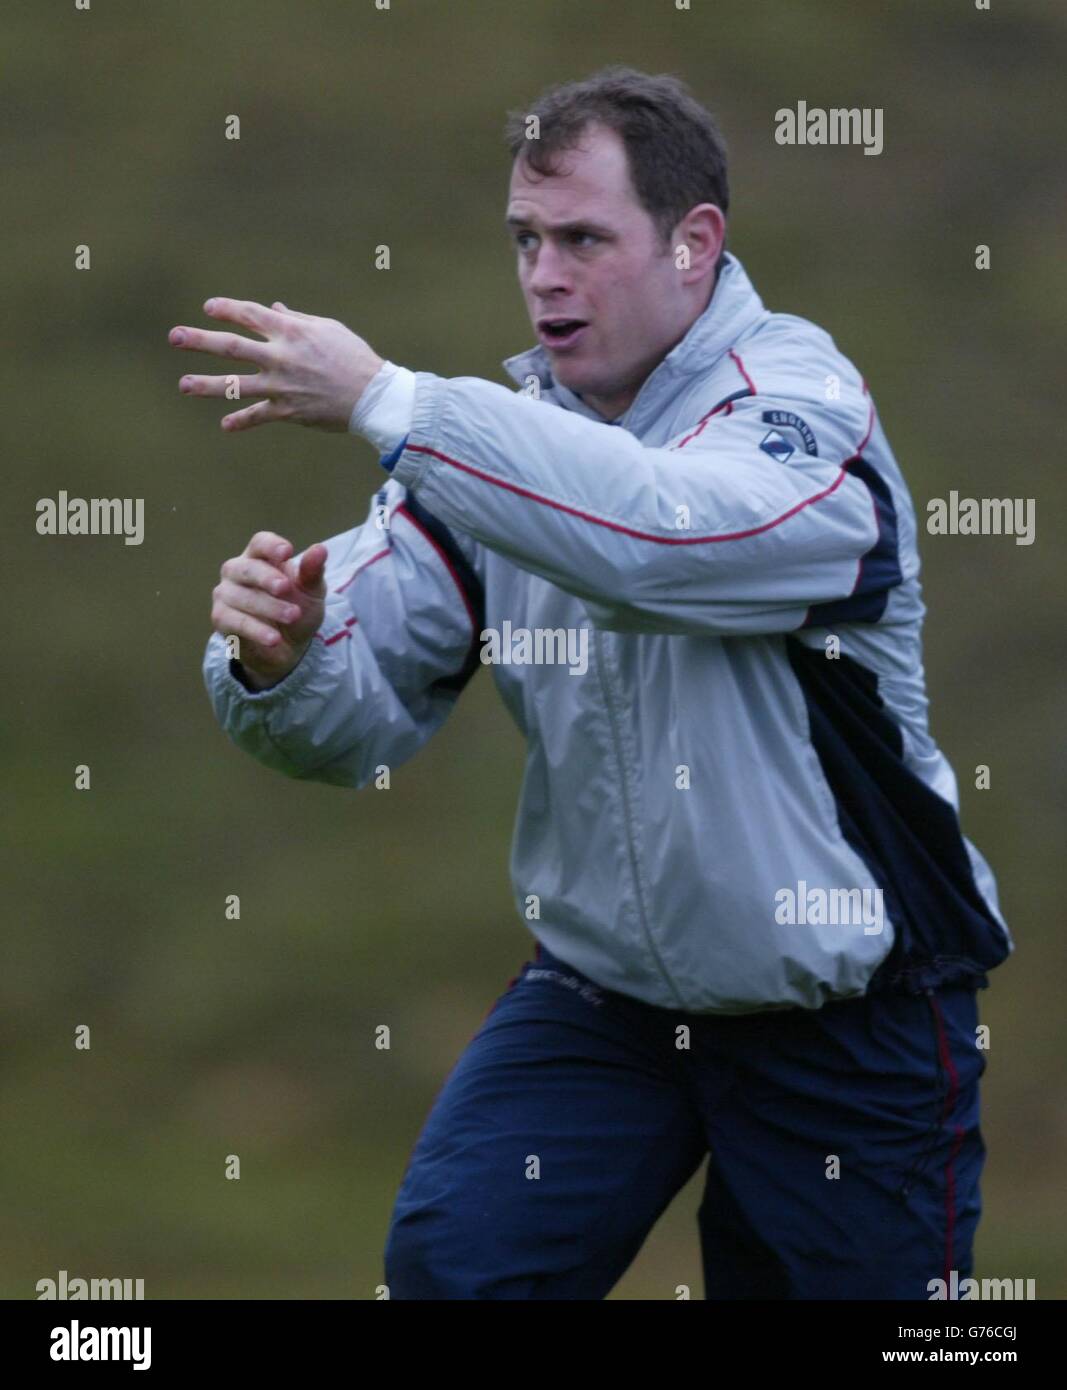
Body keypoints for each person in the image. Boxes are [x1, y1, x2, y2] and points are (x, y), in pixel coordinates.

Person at [175, 66, 1012, 1299]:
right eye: (524, 238)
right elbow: (347, 731)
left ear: (694, 244)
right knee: (455, 1270)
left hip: (849, 1008)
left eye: (580, 238)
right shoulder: (493, 444)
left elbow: (660, 541)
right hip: (606, 999)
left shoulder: (797, 406)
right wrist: (279, 662)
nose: (542, 274)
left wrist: (390, 401)